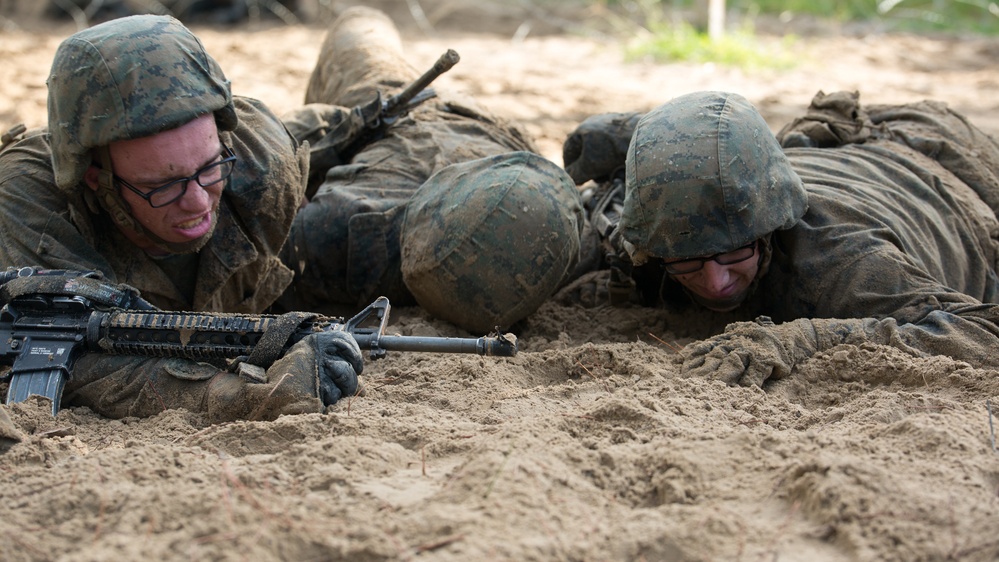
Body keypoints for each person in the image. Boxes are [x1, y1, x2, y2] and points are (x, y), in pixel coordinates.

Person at [0, 7, 584, 420]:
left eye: (209, 168)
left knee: (392, 96)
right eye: (163, 185)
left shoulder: (257, 160)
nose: (200, 201)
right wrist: (248, 396)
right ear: (96, 176)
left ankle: (363, 29)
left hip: (396, 148)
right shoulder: (32, 205)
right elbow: (80, 361)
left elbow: (318, 134)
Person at [562, 89, 999, 386]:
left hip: (937, 159)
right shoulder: (652, 234)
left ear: (769, 230)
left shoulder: (843, 260)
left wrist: (806, 339)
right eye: (687, 261)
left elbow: (981, 331)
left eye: (734, 251)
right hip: (819, 156)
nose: (715, 282)